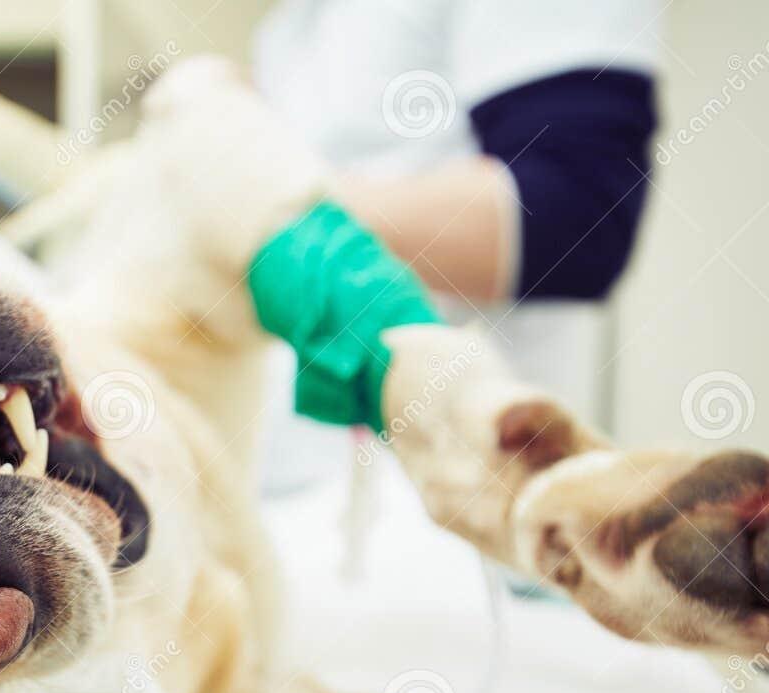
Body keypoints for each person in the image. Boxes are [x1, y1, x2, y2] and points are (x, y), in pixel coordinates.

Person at [254, 0, 662, 423]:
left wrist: (261, 193)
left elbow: (583, 213)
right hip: (308, 463)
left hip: (477, 452)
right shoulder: (288, 26)